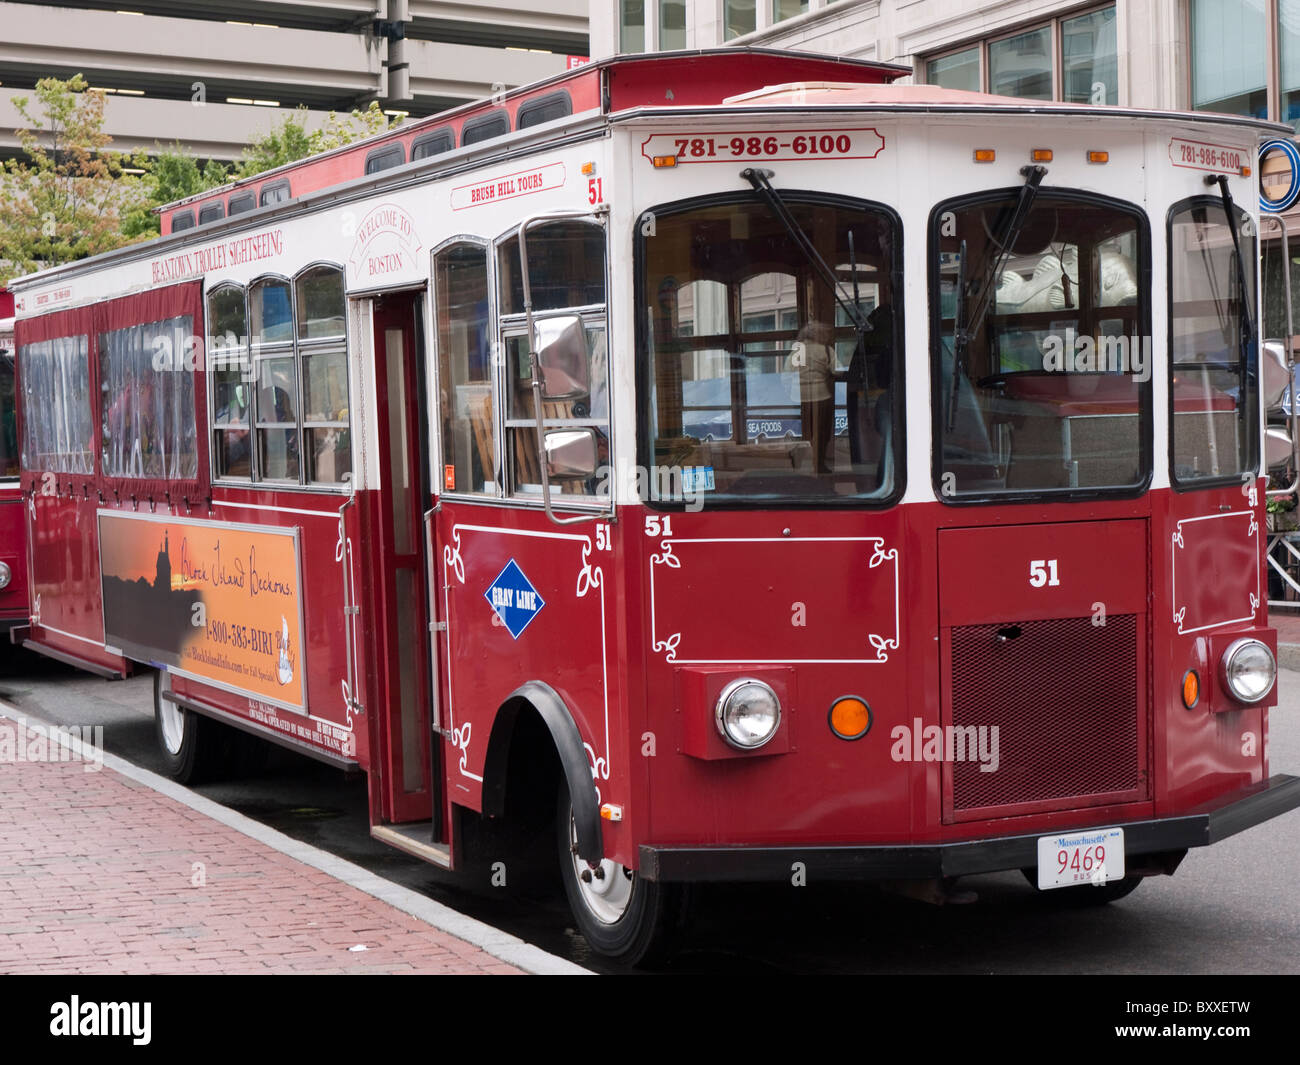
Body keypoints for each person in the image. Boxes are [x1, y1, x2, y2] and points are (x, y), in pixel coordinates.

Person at [791, 320, 836, 473]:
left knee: (805, 431)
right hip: (821, 395)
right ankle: (819, 463)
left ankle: (804, 465)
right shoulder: (826, 350)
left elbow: (786, 373)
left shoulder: (797, 350)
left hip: (799, 397)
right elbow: (837, 371)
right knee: (822, 431)